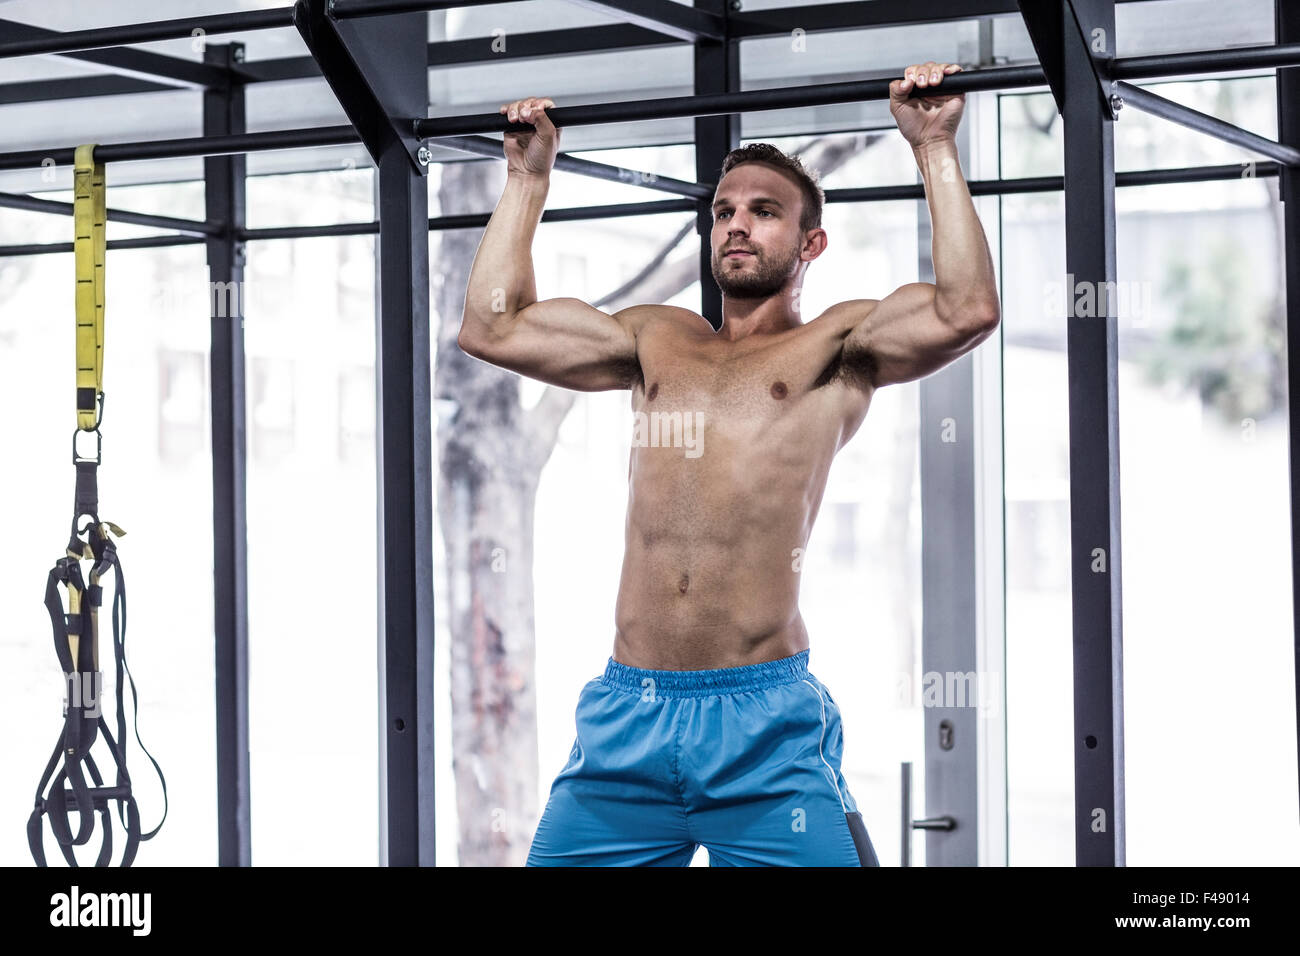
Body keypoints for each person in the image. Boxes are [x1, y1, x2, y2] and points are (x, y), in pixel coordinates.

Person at [458, 61, 1000, 866]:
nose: (736, 225)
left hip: (763, 731)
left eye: (764, 212)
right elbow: (493, 328)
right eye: (723, 211)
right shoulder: (656, 338)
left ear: (811, 242)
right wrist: (526, 181)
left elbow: (967, 309)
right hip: (625, 724)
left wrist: (934, 150)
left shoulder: (838, 345)